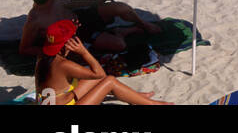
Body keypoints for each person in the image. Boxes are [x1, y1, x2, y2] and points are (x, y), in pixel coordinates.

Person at [20, 0, 160, 58]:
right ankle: (123, 31)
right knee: (119, 45)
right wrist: (55, 51)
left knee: (121, 8)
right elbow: (24, 49)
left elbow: (70, 3)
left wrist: (94, 2)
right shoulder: (35, 20)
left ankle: (143, 24)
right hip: (79, 34)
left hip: (82, 17)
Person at [34, 22, 166, 106]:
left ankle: (135, 97)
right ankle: (151, 103)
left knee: (91, 77)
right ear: (66, 45)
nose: (77, 39)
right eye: (74, 38)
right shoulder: (64, 65)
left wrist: (71, 28)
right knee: (109, 80)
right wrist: (84, 52)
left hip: (49, 102)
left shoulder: (44, 55)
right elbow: (99, 74)